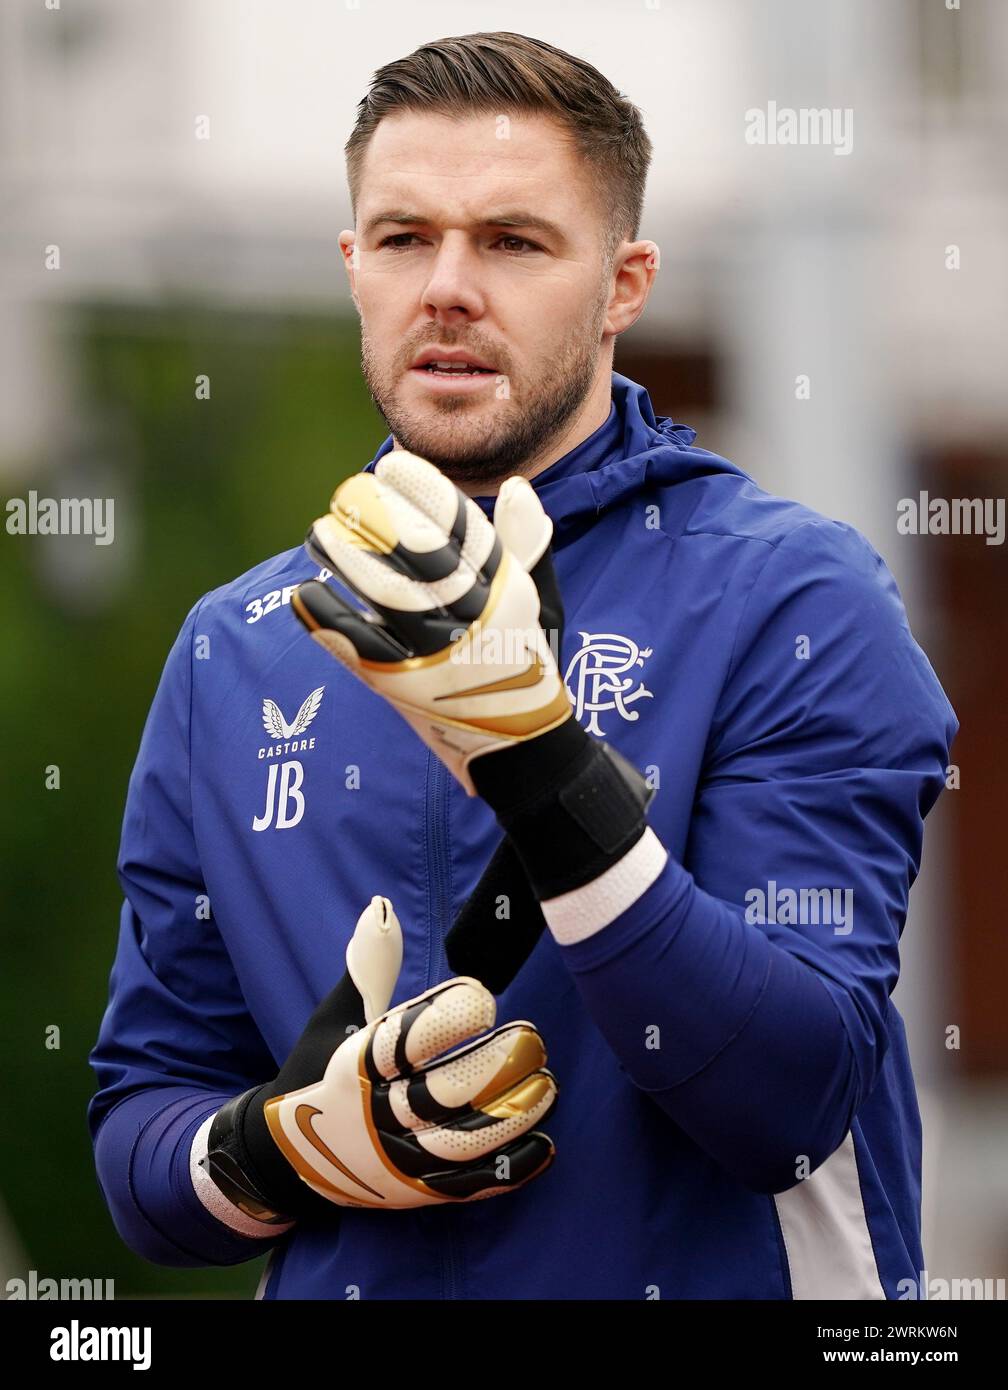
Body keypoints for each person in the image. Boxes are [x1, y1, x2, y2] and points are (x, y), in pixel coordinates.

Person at [88, 31, 957, 1299]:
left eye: (512, 240)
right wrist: (282, 1149)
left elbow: (791, 1096)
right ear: (353, 268)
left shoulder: (794, 596)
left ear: (624, 283)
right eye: (402, 238)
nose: (447, 286)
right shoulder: (238, 643)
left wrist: (545, 770)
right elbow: (138, 1135)